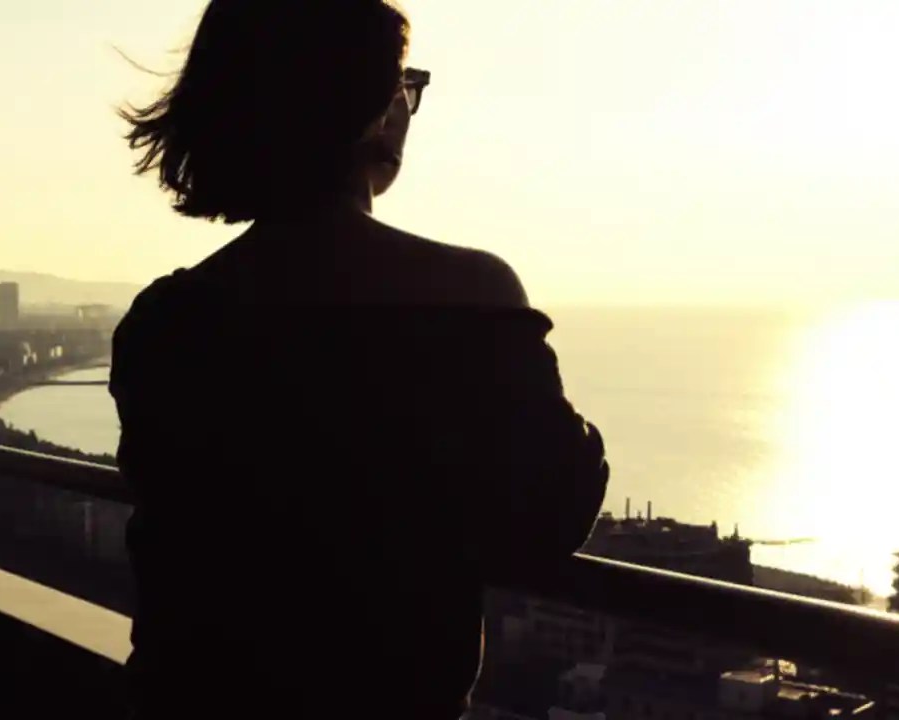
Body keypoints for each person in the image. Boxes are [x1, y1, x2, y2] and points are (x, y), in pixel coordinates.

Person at [109, 1, 610, 717]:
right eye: (404, 85)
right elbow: (552, 514)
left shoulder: (165, 322)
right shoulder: (470, 296)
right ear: (374, 107)